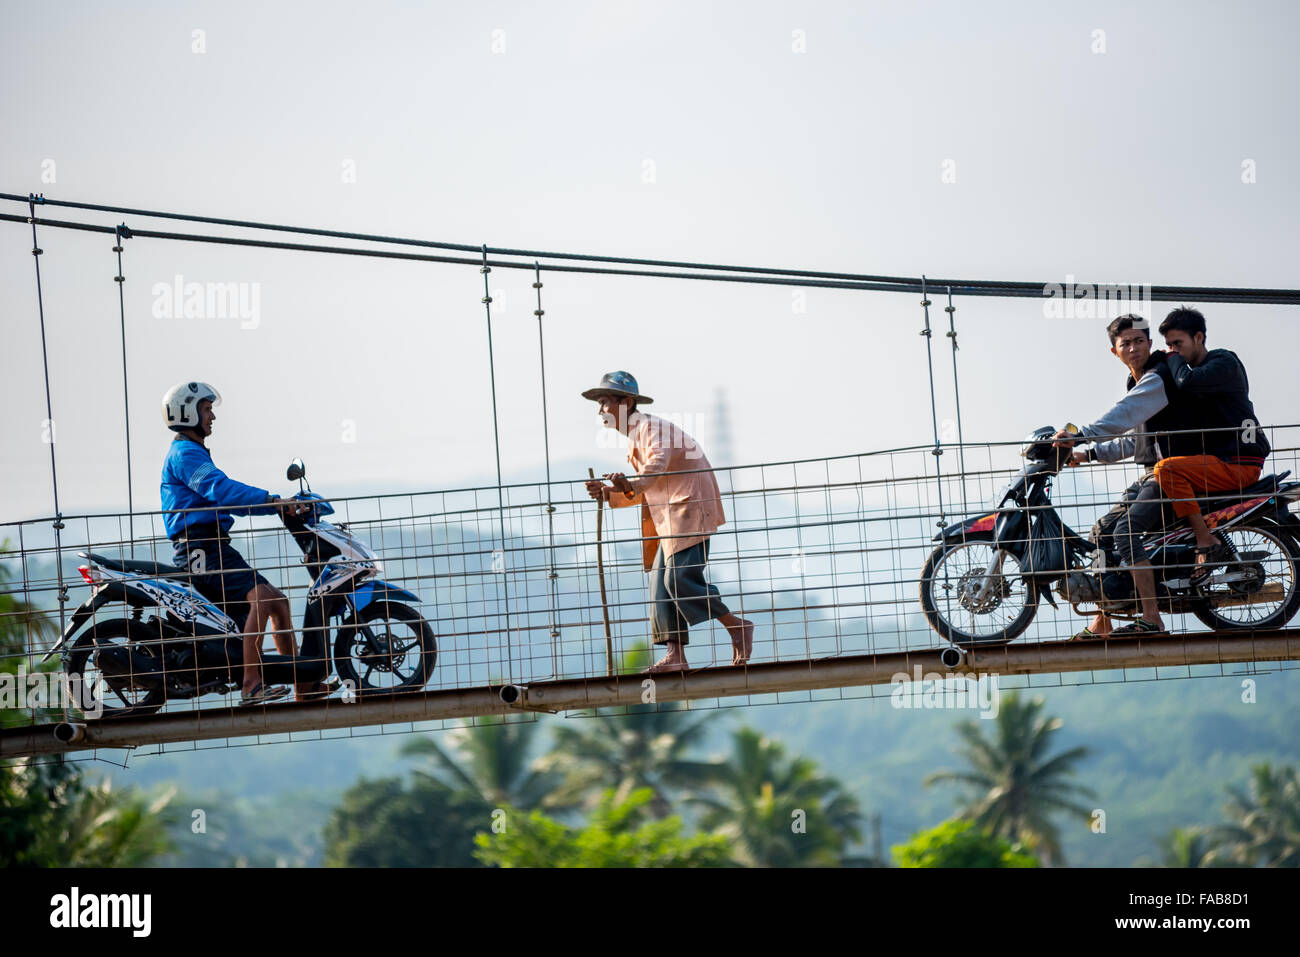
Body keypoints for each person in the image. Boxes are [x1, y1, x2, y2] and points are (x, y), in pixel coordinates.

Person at [1058, 310, 1269, 638]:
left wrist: (1081, 434)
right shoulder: (1140, 381)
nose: (1133, 348)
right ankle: (1103, 620)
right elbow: (1136, 439)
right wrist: (1089, 454)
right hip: (1153, 474)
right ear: (1114, 351)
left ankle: (1152, 618)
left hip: (1173, 475)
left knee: (1125, 533)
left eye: (1139, 341)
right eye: (1125, 343)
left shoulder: (1160, 376)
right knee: (1100, 532)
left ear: (1150, 343)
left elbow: (1123, 416)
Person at [160, 381, 325, 704]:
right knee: (262, 598)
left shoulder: (192, 452)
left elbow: (223, 494)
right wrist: (272, 501)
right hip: (199, 548)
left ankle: (303, 686)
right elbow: (221, 491)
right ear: (187, 413)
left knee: (277, 601)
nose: (212, 417)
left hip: (214, 545)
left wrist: (275, 504)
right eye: (206, 410)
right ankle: (251, 683)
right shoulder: (184, 454)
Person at [581, 371, 753, 673]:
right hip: (671, 516)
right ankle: (675, 656)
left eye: (605, 402)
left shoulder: (651, 428)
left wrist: (627, 484)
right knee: (660, 585)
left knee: (678, 580)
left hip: (688, 510)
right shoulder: (638, 435)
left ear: (626, 402)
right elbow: (646, 486)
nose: (601, 410)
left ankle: (734, 624)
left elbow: (655, 467)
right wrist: (611, 493)